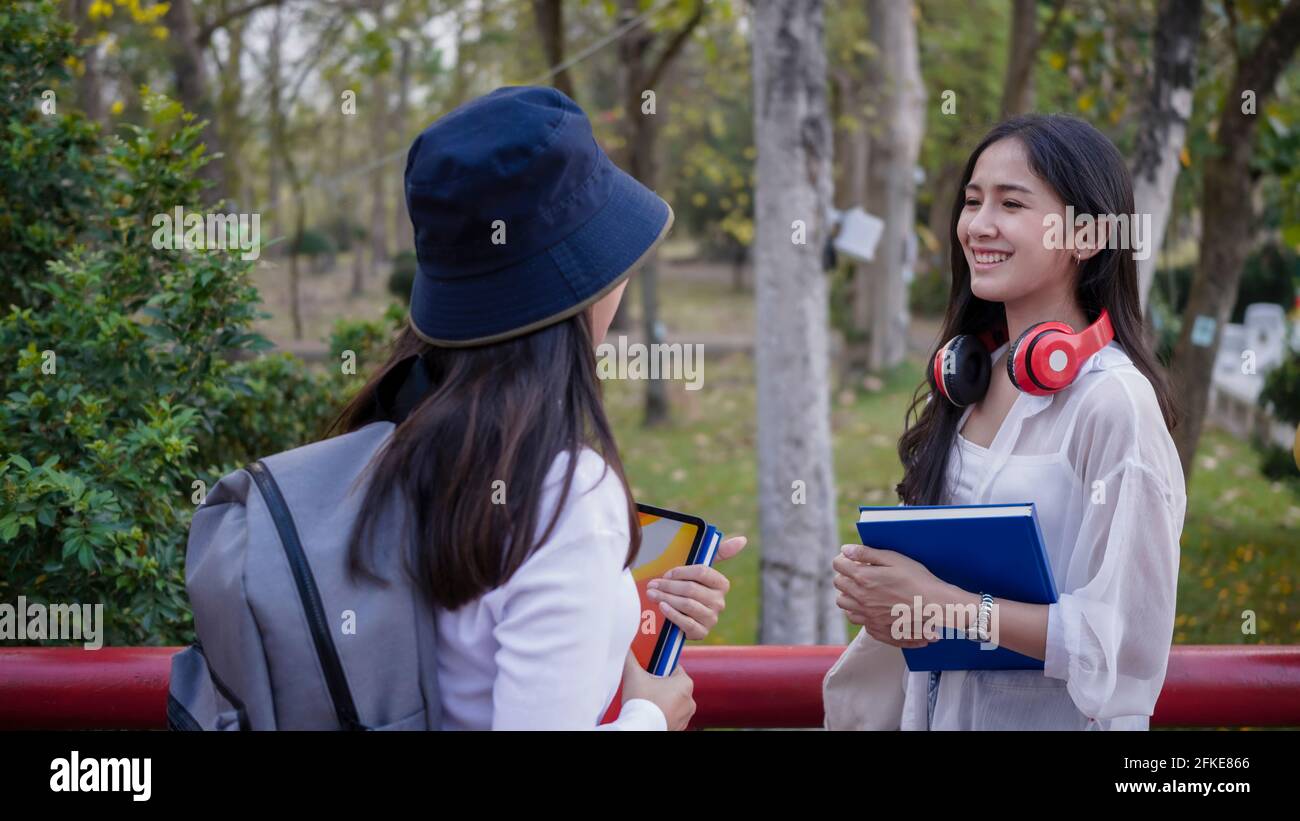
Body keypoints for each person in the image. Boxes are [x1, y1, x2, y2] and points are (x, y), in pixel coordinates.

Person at [328, 86, 747, 730]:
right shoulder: (567, 497)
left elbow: (468, 638)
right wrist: (651, 714)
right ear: (577, 285)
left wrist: (619, 592)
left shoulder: (381, 441)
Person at [831, 115, 1187, 730]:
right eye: (973, 201)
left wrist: (942, 606)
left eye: (1011, 203)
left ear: (1087, 236)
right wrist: (888, 595)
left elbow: (1121, 647)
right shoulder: (971, 378)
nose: (978, 225)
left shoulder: (1114, 405)